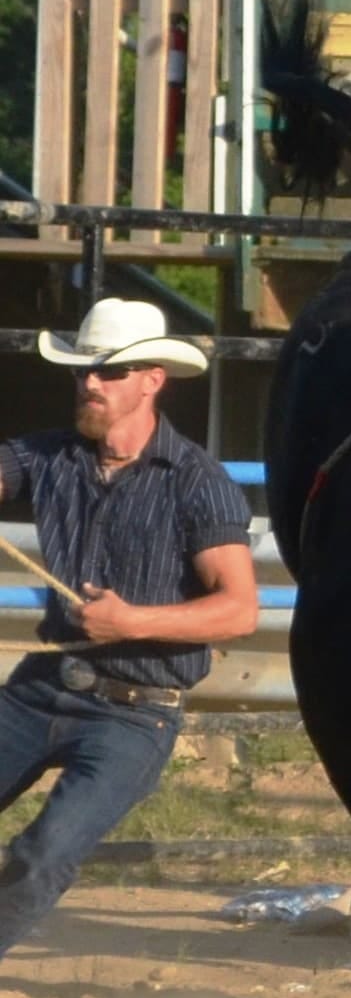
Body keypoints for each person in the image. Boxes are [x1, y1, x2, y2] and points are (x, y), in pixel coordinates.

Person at [0, 299, 258, 957]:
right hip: (43, 687)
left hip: (135, 716)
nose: (91, 382)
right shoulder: (53, 456)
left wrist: (131, 621)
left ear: (152, 379)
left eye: (110, 371)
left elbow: (239, 609)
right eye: (85, 369)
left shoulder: (197, 481)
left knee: (42, 854)